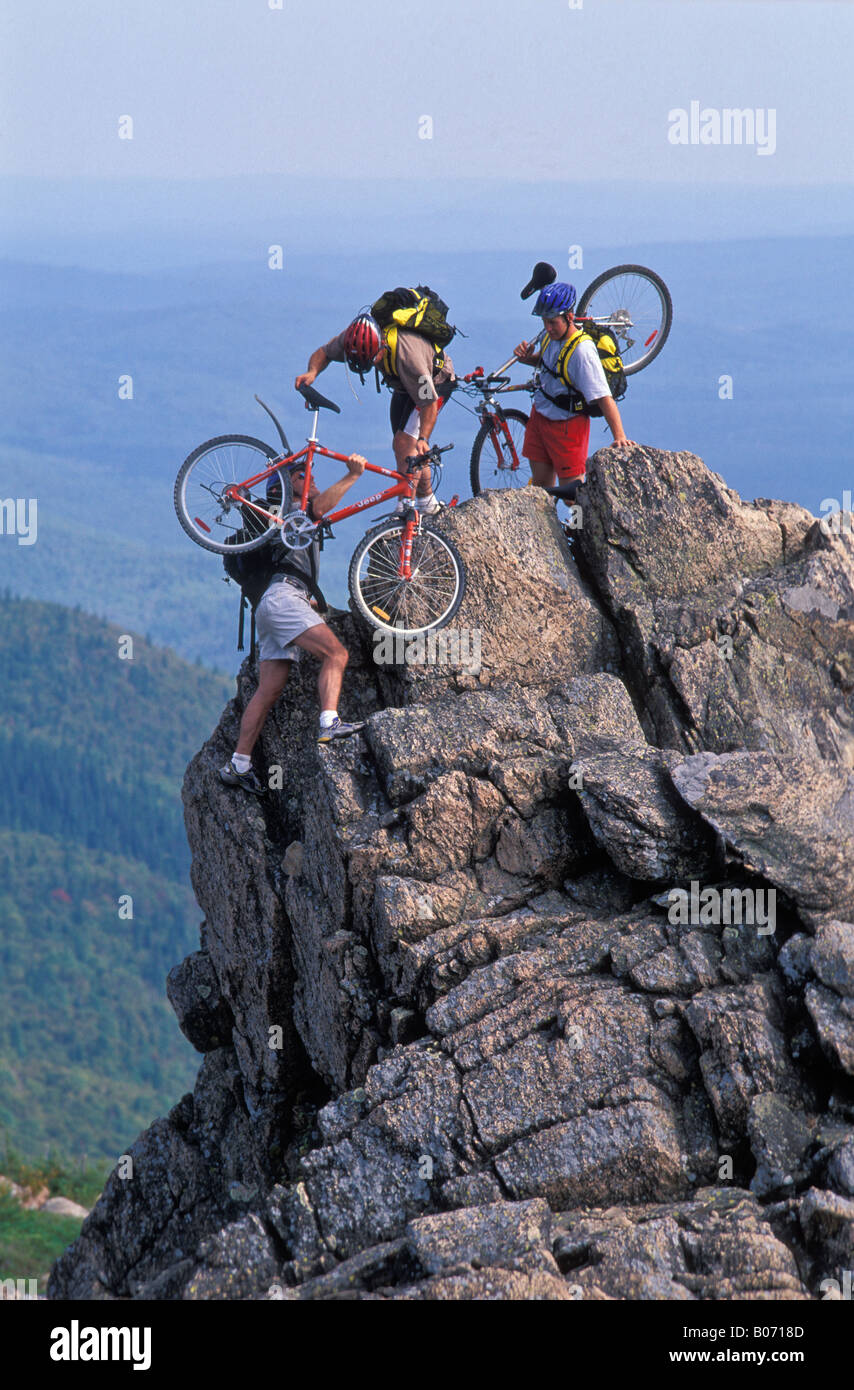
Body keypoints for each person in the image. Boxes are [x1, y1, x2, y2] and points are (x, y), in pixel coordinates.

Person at [219, 455, 367, 794]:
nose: (312, 480)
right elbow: (320, 508)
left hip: (274, 603)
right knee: (336, 655)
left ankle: (239, 764)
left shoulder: (283, 524)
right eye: (304, 475)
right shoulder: (291, 512)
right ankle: (329, 723)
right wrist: (353, 475)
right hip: (283, 600)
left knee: (269, 689)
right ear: (286, 486)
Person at [295, 310, 455, 513]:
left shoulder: (409, 358)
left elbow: (429, 403)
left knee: (405, 442)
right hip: (403, 387)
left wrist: (423, 437)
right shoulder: (352, 339)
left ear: (382, 347)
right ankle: (428, 503)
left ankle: (405, 508)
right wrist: (312, 372)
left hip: (435, 383)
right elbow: (324, 353)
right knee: (405, 448)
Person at [513, 281, 634, 489]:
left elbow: (604, 397)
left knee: (573, 495)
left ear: (569, 317)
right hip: (540, 417)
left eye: (553, 322)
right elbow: (550, 363)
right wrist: (528, 359)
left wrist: (620, 436)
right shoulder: (550, 337)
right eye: (545, 322)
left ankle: (580, 522)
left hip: (567, 427)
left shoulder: (583, 352)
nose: (548, 328)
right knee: (541, 489)